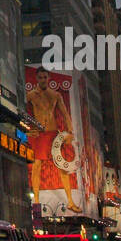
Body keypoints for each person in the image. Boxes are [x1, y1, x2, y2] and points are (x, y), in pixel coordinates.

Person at [27, 68, 82, 213]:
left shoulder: (56, 95)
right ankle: (36, 203)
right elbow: (22, 111)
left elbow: (65, 114)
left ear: (49, 78)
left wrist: (70, 132)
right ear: (37, 78)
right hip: (38, 135)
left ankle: (70, 202)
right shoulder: (31, 95)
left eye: (45, 77)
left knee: (61, 166)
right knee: (36, 166)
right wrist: (27, 128)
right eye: (40, 77)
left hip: (53, 135)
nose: (43, 79)